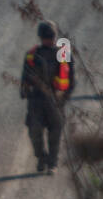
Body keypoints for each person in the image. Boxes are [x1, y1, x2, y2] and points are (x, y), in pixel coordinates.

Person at [20, 20, 74, 174]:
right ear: (40, 37)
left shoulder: (63, 55)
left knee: (55, 133)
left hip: (55, 101)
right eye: (45, 37)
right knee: (34, 132)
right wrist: (25, 91)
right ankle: (41, 157)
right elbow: (25, 77)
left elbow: (70, 80)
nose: (48, 39)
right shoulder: (31, 55)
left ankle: (52, 164)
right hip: (36, 101)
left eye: (50, 36)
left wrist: (63, 98)